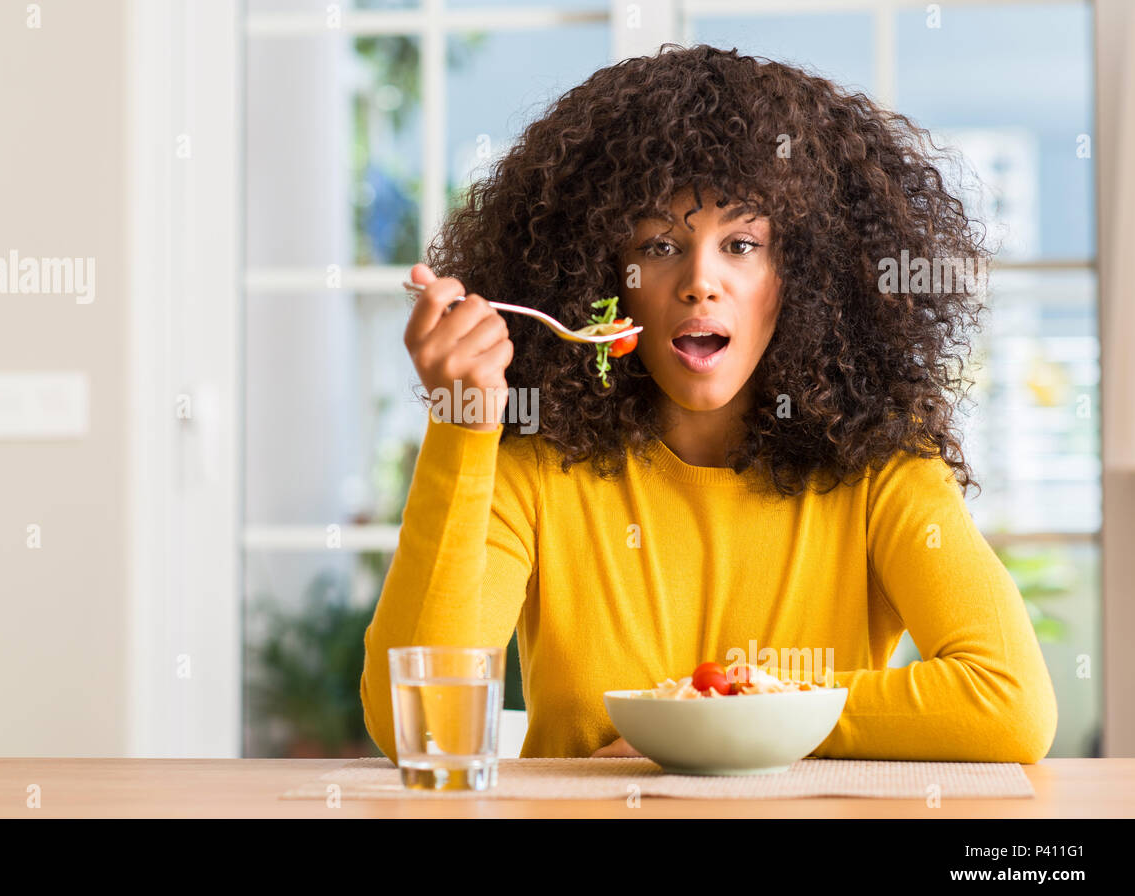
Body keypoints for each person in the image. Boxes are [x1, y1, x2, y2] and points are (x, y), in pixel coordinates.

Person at [359, 43, 1057, 762]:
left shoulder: (881, 465)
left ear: (806, 275)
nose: (700, 281)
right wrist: (461, 423)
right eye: (660, 244)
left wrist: (711, 717)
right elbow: (427, 727)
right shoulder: (538, 463)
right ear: (608, 276)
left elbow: (1007, 701)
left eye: (743, 245)